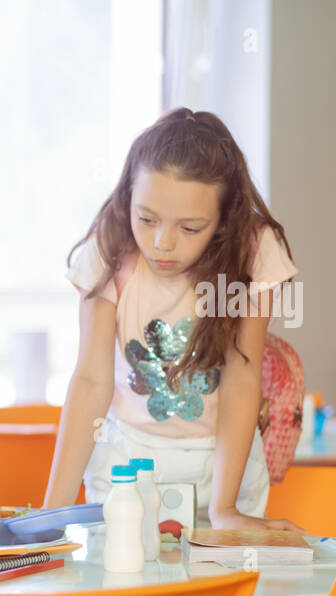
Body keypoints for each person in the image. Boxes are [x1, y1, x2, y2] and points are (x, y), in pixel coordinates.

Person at [45, 108, 303, 532]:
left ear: (225, 222)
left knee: (217, 593)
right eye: (146, 219)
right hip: (128, 463)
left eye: (190, 227)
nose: (162, 243)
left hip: (224, 464)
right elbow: (91, 381)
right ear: (128, 196)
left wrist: (225, 509)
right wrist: (50, 515)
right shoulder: (110, 247)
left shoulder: (253, 250)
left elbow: (242, 374)